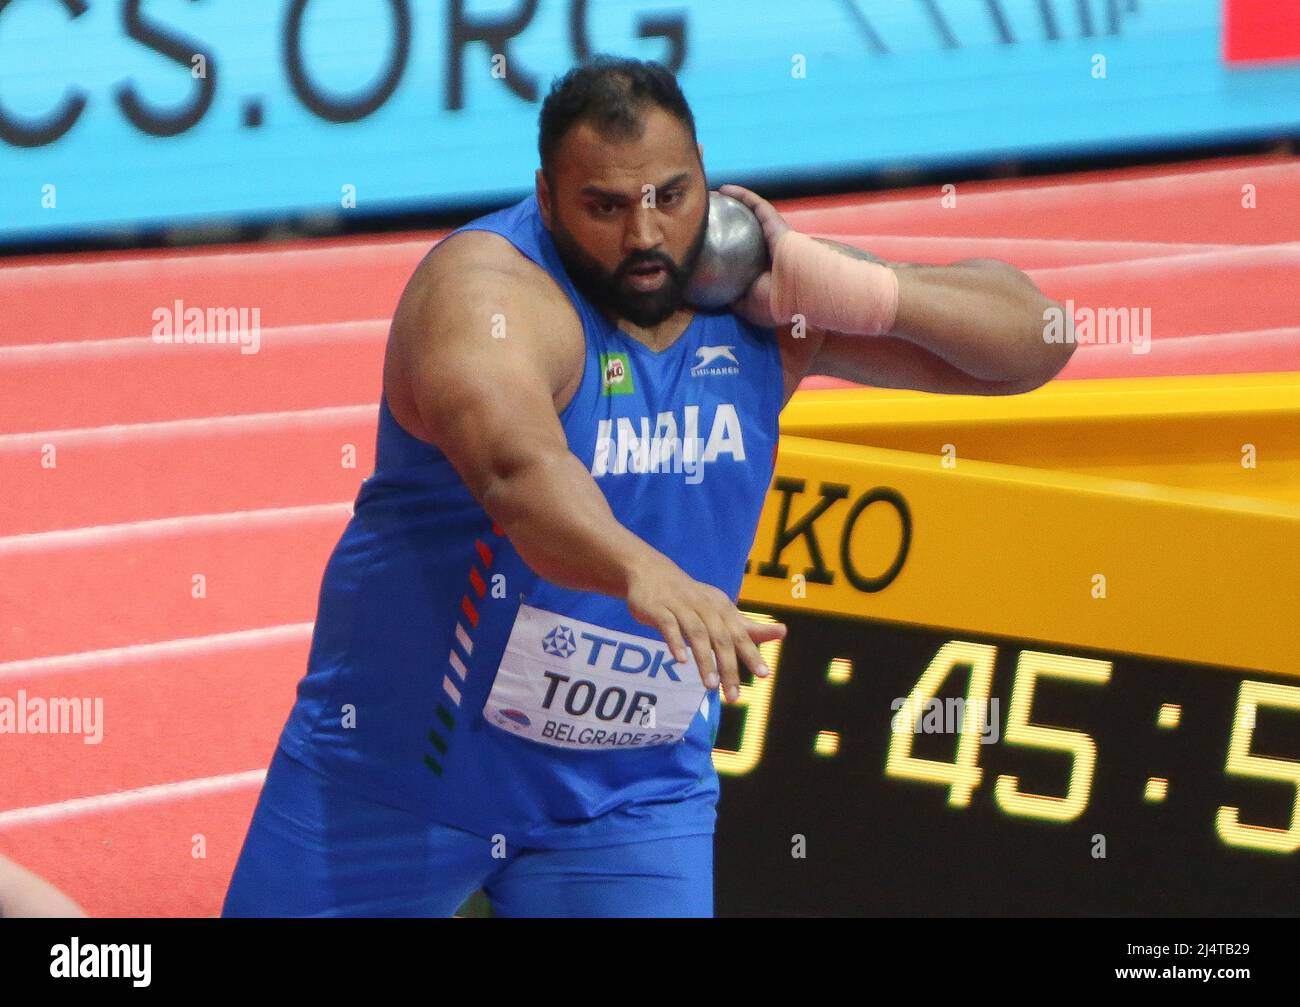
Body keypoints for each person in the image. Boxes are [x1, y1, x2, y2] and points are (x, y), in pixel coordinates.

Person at [222, 54, 1071, 918]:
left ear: (708, 179)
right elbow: (520, 475)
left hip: (628, 793)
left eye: (671, 195)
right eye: (606, 206)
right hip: (395, 775)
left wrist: (869, 291)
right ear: (547, 199)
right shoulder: (489, 297)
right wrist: (644, 572)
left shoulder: (758, 295)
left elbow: (1037, 342)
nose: (646, 235)